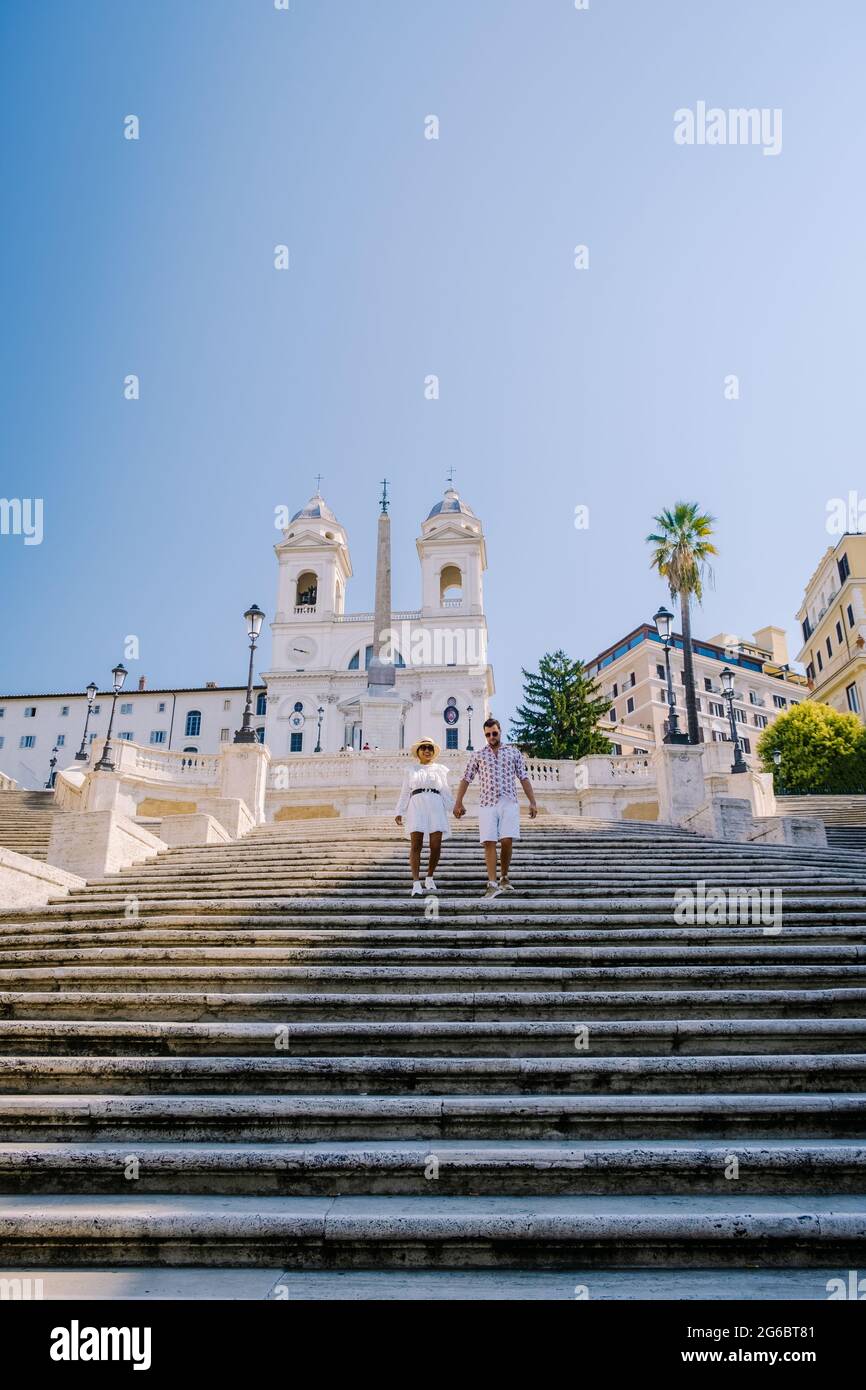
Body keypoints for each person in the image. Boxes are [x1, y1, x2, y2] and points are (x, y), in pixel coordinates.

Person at [452, 717, 537, 897]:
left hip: (509, 801)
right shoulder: (479, 754)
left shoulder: (513, 752)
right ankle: (492, 883)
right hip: (487, 803)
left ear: (500, 732)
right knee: (489, 842)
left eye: (494, 733)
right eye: (488, 734)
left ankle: (504, 877)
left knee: (507, 840)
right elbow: (466, 778)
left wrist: (532, 801)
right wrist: (459, 801)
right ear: (485, 735)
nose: (491, 737)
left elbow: (523, 777)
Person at [394, 737, 454, 896]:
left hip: (436, 804)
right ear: (418, 752)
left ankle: (429, 876)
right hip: (416, 805)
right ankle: (416, 883)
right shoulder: (411, 770)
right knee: (416, 845)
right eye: (424, 748)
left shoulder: (440, 769)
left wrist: (454, 808)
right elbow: (405, 792)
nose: (427, 750)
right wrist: (399, 811)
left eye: (430, 748)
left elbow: (446, 791)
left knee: (436, 845)